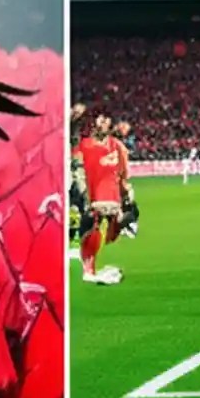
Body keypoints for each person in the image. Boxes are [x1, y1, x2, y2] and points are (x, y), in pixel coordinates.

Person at [73, 113, 128, 285]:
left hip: (112, 197)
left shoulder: (117, 146)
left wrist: (124, 195)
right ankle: (88, 268)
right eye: (100, 119)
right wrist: (83, 194)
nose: (104, 122)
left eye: (106, 120)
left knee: (104, 229)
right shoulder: (84, 145)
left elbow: (122, 173)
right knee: (91, 225)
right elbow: (77, 169)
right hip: (93, 196)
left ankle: (88, 266)